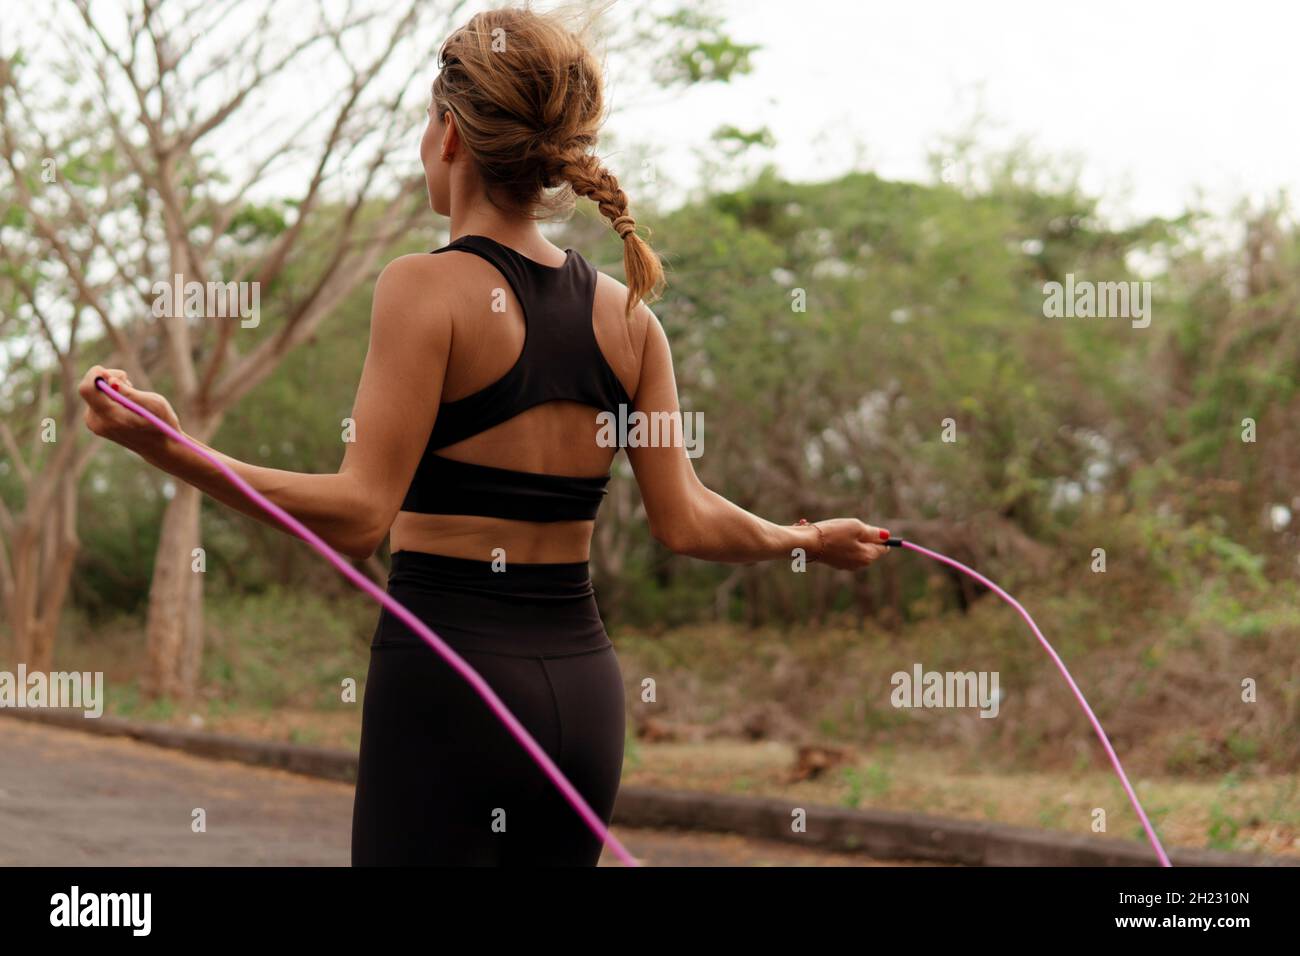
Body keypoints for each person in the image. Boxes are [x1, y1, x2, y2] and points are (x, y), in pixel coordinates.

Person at [79, 5, 890, 866]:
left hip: (452, 687)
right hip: (583, 698)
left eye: (426, 121)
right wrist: (808, 539)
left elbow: (359, 517)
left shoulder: (424, 289)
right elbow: (686, 521)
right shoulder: (628, 320)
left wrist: (170, 449)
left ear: (451, 134)